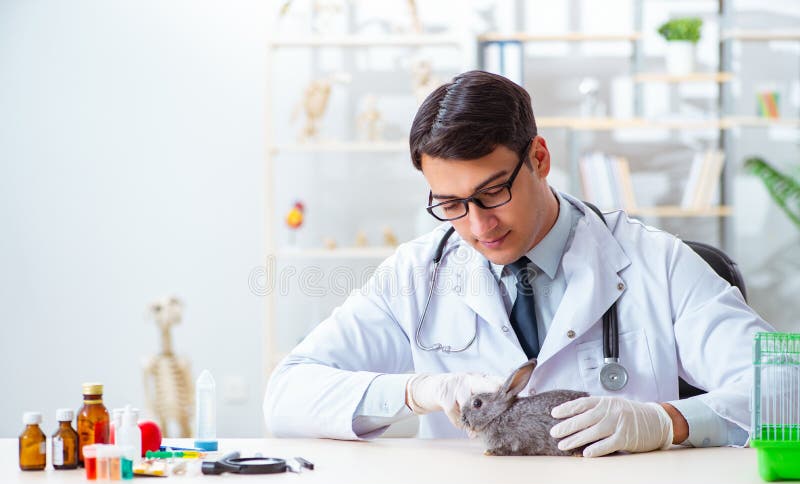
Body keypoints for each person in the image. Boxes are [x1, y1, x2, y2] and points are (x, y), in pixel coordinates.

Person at [263, 70, 773, 457]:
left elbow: (784, 390)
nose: (478, 225)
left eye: (493, 192)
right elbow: (286, 395)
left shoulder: (655, 262)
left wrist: (667, 422)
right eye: (451, 204)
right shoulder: (416, 275)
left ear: (540, 158)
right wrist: (417, 390)